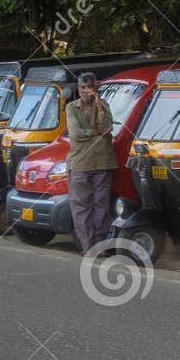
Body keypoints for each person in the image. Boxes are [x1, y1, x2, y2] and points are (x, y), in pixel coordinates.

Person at [64, 72, 116, 252]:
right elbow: (76, 134)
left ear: (96, 88)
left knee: (102, 205)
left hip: (103, 162)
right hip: (80, 163)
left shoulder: (104, 105)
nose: (86, 92)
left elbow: (108, 127)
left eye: (90, 88)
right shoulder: (71, 107)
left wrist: (100, 107)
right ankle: (88, 247)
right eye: (82, 88)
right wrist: (96, 132)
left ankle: (101, 246)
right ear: (78, 90)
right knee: (81, 207)